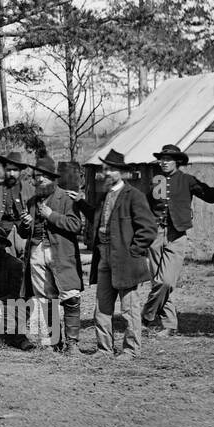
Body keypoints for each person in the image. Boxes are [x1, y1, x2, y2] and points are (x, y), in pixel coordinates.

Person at [143, 143, 214, 337]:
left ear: (178, 162)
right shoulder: (156, 181)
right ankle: (170, 325)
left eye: (168, 160)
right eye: (162, 159)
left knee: (166, 282)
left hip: (176, 236)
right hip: (155, 236)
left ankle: (146, 316)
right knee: (158, 282)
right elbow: (146, 206)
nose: (164, 163)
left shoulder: (187, 180)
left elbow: (211, 196)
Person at [89, 150, 158, 360]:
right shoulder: (104, 196)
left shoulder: (134, 196)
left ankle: (131, 350)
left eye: (109, 169)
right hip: (104, 258)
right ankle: (104, 349)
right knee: (101, 307)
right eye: (104, 169)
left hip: (126, 261)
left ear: (120, 172)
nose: (105, 173)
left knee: (129, 309)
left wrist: (134, 251)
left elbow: (148, 228)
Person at [17, 156, 85, 355]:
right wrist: (26, 224)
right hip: (37, 253)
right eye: (36, 177)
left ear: (52, 178)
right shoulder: (31, 201)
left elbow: (75, 225)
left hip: (61, 253)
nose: (39, 181)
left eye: (43, 177)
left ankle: (72, 344)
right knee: (46, 300)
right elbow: (23, 233)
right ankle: (54, 342)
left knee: (70, 296)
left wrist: (50, 215)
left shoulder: (65, 198)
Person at [0, 151, 36, 249]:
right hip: (3, 234)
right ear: (4, 169)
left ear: (20, 171)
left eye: (15, 170)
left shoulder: (31, 190)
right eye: (9, 170)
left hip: (24, 234)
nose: (11, 173)